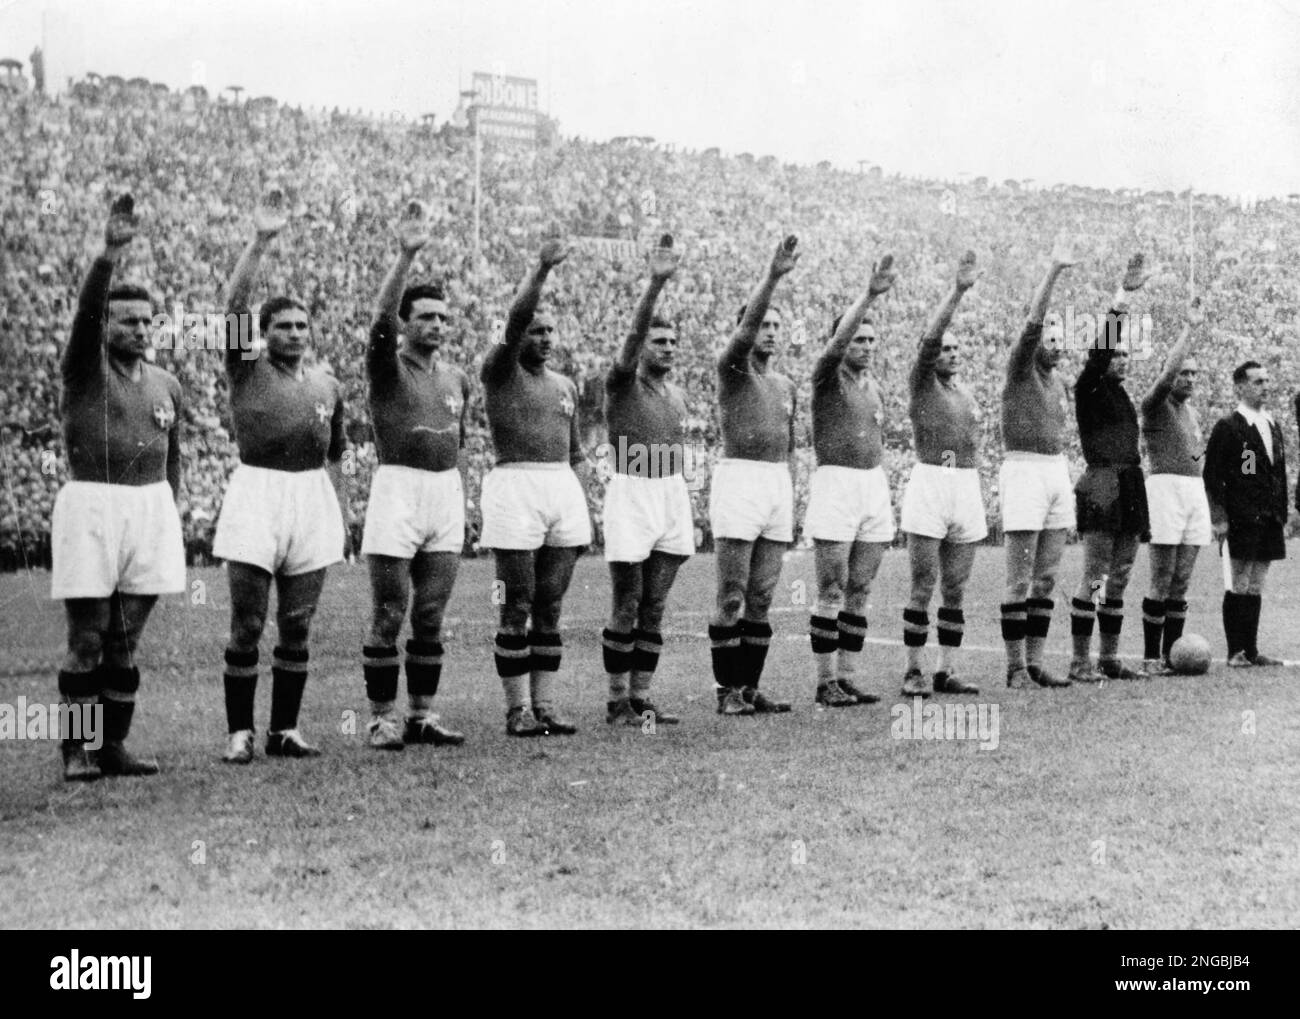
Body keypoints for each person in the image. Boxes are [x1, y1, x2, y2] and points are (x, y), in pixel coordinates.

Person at [52, 194, 184, 780]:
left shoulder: (166, 382)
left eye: (143, 320)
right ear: (104, 324)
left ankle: (113, 746)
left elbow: (172, 456)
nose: (135, 328)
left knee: (126, 641)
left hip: (150, 507)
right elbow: (84, 314)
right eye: (123, 319)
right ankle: (75, 750)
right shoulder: (85, 369)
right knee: (88, 637)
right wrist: (109, 256)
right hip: (92, 504)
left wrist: (169, 513)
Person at [214, 190, 349, 763]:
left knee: (298, 622)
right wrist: (260, 242)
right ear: (264, 333)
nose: (295, 333)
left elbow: (337, 454)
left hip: (310, 494)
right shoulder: (247, 369)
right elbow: (232, 307)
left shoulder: (327, 385)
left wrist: (338, 516)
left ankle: (284, 729)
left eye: (302, 326)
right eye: (284, 326)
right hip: (258, 490)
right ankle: (240, 732)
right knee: (248, 621)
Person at [359, 202, 469, 749]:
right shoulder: (387, 365)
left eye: (444, 318)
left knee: (430, 613)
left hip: (444, 491)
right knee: (388, 610)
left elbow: (460, 441)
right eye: (426, 316)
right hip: (397, 486)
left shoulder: (456, 379)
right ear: (406, 322)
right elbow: (378, 324)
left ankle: (421, 715)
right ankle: (382, 717)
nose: (437, 325)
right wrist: (406, 253)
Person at [481, 240, 590, 736]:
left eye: (550, 331)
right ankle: (516, 709)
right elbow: (516, 315)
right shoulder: (500, 371)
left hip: (559, 487)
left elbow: (576, 455)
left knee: (550, 604)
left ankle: (545, 706)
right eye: (536, 329)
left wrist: (580, 498)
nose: (545, 337)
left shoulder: (566, 386)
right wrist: (542, 267)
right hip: (515, 485)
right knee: (516, 602)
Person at [708, 237, 800, 716]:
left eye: (776, 326)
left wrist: (793, 494)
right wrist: (774, 276)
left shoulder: (786, 385)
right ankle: (725, 692)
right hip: (739, 480)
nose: (768, 332)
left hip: (775, 483)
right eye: (762, 323)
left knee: (762, 595)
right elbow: (742, 337)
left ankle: (748, 687)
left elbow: (792, 445)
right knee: (732, 593)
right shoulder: (732, 371)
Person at [601, 236, 690, 726]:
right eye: (660, 341)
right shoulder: (621, 382)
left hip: (670, 491)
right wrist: (656, 283)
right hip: (632, 490)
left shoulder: (676, 395)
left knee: (655, 605)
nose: (668, 348)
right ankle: (616, 700)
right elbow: (632, 339)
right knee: (627, 599)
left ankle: (641, 695)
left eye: (673, 342)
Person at [804, 254, 898, 707]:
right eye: (858, 338)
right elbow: (835, 347)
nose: (865, 345)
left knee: (861, 588)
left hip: (872, 486)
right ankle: (825, 682)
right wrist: (869, 297)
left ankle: (848, 676)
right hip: (836, 484)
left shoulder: (874, 386)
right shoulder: (827, 377)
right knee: (832, 587)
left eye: (871, 339)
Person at [899, 251, 984, 697]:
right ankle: (913, 670)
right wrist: (958, 291)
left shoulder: (967, 394)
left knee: (955, 588)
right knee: (923, 584)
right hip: (931, 481)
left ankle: (946, 670)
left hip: (965, 485)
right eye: (943, 348)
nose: (949, 353)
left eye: (956, 348)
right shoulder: (922, 383)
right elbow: (930, 340)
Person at [1068, 254, 1152, 683]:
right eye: (1115, 355)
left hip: (1130, 482)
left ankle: (1109, 658)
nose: (1121, 360)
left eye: (1125, 356)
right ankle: (1079, 661)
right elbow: (1100, 349)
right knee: (1096, 574)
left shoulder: (1123, 396)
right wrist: (1123, 298)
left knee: (1120, 576)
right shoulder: (1089, 387)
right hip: (1102, 481)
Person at [999, 239, 1078, 691]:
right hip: (1024, 469)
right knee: (1019, 576)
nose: (1056, 346)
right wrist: (1053, 273)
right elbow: (1032, 324)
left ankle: (1035, 662)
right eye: (1050, 339)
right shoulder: (1020, 370)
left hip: (1055, 470)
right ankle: (1014, 669)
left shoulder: (1059, 381)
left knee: (1046, 577)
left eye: (1060, 340)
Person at [1139, 299, 1210, 673]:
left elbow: (1197, 458)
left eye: (1194, 374)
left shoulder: (1193, 413)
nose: (1189, 379)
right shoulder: (1155, 403)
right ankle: (1151, 658)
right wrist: (1190, 328)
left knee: (1182, 580)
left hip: (1193, 493)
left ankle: (1171, 656)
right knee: (1161, 577)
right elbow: (1166, 374)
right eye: (1184, 373)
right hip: (1165, 490)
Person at [1203, 362, 1288, 667]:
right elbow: (1212, 476)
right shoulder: (1229, 426)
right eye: (1257, 381)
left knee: (1255, 584)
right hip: (1241, 517)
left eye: (1266, 380)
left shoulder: (1271, 424)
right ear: (1239, 387)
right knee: (1238, 582)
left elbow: (1274, 472)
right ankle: (1235, 650)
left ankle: (1251, 650)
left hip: (1268, 518)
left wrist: (1282, 511)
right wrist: (1219, 516)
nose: (1265, 386)